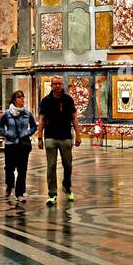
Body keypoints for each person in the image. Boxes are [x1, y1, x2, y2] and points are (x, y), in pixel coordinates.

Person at [37, 76, 81, 206]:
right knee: (51, 167)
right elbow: (41, 120)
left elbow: (74, 118)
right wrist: (39, 137)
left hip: (66, 137)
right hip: (50, 137)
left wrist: (78, 135)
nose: (57, 86)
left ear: (63, 85)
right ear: (51, 86)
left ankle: (67, 186)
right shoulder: (46, 101)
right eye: (55, 84)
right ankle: (52, 194)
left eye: (60, 84)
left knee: (68, 165)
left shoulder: (68, 100)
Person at [0, 90, 35, 204]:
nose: (22, 99)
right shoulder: (7, 114)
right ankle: (9, 185)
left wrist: (27, 133)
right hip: (10, 145)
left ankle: (20, 193)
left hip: (23, 145)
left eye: (23, 97)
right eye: (19, 97)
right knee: (9, 168)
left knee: (22, 170)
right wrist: (8, 134)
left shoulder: (27, 113)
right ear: (14, 100)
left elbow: (33, 127)